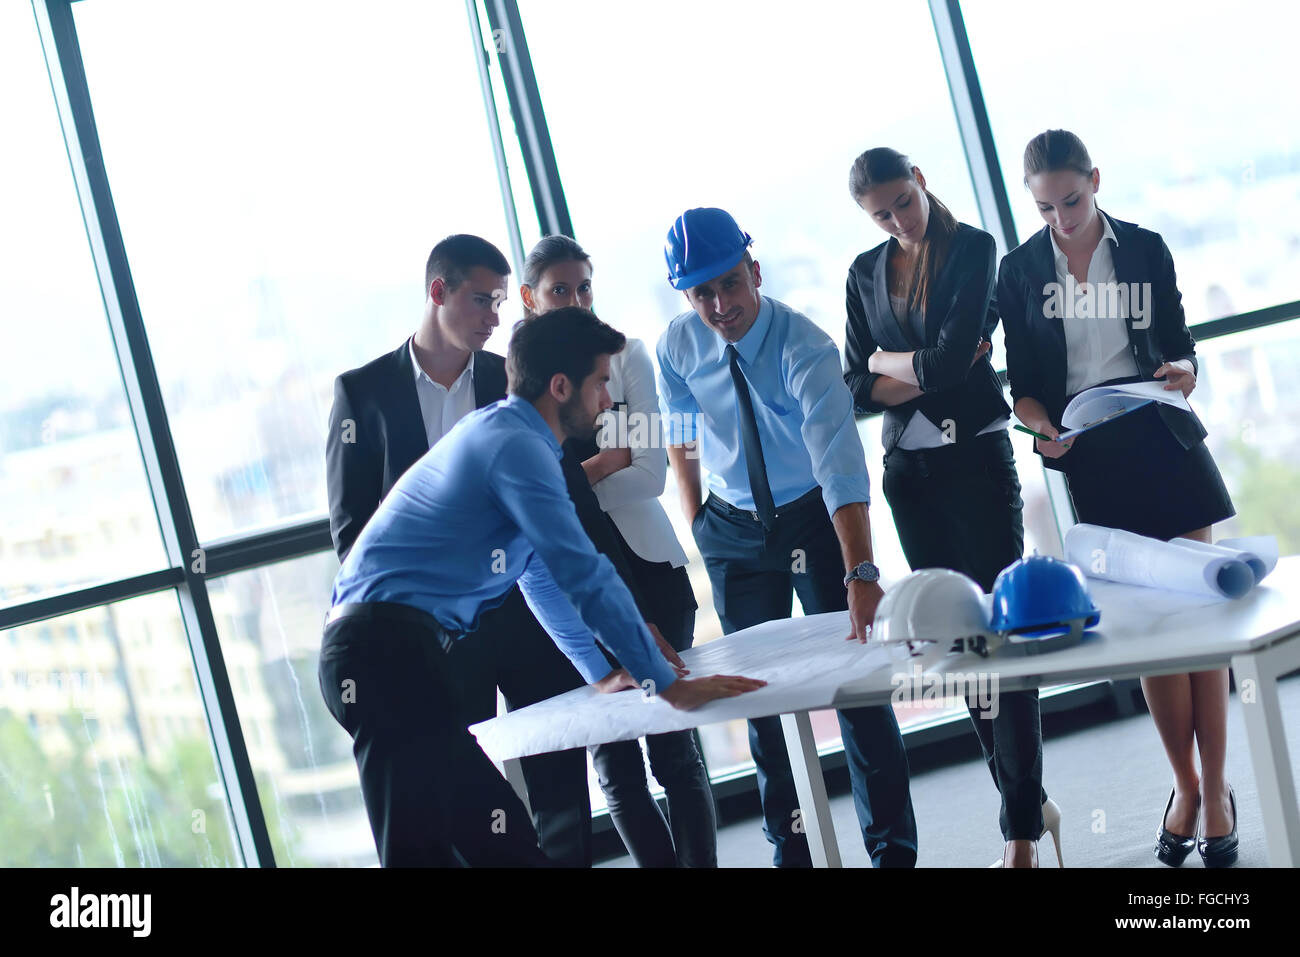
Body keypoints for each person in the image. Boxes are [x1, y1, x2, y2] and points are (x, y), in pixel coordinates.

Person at [320, 307, 766, 866]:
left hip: (391, 657)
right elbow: (582, 571)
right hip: (378, 655)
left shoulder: (515, 439)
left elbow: (537, 574)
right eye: (601, 381)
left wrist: (602, 672)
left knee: (472, 844)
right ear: (561, 386)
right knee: (475, 845)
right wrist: (663, 683)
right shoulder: (517, 448)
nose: (608, 399)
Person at [998, 129, 1238, 868]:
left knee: (1196, 623)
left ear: (1095, 180)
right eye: (1045, 209)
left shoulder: (1143, 247)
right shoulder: (1019, 270)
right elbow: (1026, 381)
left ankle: (1220, 790)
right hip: (1092, 457)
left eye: (1072, 200)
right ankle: (1185, 786)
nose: (1062, 220)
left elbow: (1180, 342)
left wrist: (1183, 370)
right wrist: (1040, 428)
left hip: (1161, 441)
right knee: (1150, 637)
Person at [657, 207, 917, 868]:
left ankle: (892, 854)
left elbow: (839, 465)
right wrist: (700, 524)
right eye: (701, 293)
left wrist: (861, 572)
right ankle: (790, 851)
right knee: (756, 698)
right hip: (733, 530)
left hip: (814, 517)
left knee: (857, 688)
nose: (720, 304)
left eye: (730, 284)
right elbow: (683, 438)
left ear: (755, 271)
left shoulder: (804, 345)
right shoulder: (677, 347)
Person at [324, 234, 593, 866]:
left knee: (560, 780)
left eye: (500, 302)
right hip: (435, 637)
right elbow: (352, 531)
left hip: (527, 615)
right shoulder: (361, 393)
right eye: (481, 300)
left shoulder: (513, 378)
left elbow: (559, 491)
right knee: (453, 797)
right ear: (437, 292)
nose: (495, 318)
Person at [842, 147, 1059, 868]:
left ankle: (1021, 833)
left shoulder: (972, 247)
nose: (900, 221)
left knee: (1000, 635)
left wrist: (887, 362)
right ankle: (1025, 803)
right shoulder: (862, 274)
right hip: (909, 474)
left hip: (976, 459)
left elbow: (941, 363)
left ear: (921, 182)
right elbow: (854, 386)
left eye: (904, 201)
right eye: (882, 214)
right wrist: (893, 365)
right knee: (956, 643)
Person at [519, 236, 717, 867]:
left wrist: (570, 480)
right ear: (529, 299)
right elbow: (554, 492)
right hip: (577, 585)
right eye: (559, 291)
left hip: (650, 568)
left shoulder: (625, 355)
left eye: (584, 288)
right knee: (615, 763)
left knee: (674, 750)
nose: (575, 300)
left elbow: (651, 473)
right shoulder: (519, 383)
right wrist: (604, 462)